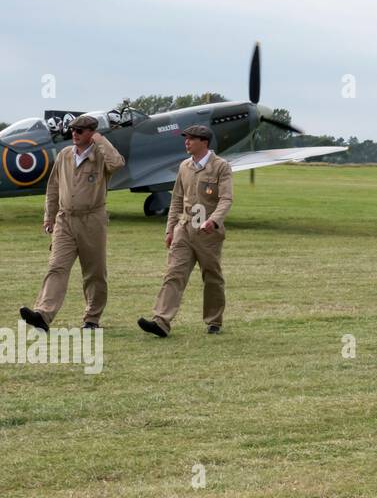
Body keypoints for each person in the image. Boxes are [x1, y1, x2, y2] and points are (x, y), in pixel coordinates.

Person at [19, 114, 126, 331]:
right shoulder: (65, 155)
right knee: (56, 267)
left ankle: (92, 319)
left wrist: (100, 140)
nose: (74, 135)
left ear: (91, 133)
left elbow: (117, 163)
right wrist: (49, 216)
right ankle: (43, 314)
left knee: (94, 272)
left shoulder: (100, 155)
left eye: (80, 131)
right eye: (72, 130)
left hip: (92, 220)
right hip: (65, 220)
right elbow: (53, 188)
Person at [138, 124, 234, 338]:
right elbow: (177, 200)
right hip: (184, 228)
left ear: (204, 142)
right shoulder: (184, 166)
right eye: (186, 138)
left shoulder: (221, 166)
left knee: (211, 276)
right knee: (174, 273)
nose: (186, 142)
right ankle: (161, 321)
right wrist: (169, 229)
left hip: (208, 233)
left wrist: (214, 221)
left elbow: (226, 199)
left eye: (191, 138)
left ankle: (214, 320)